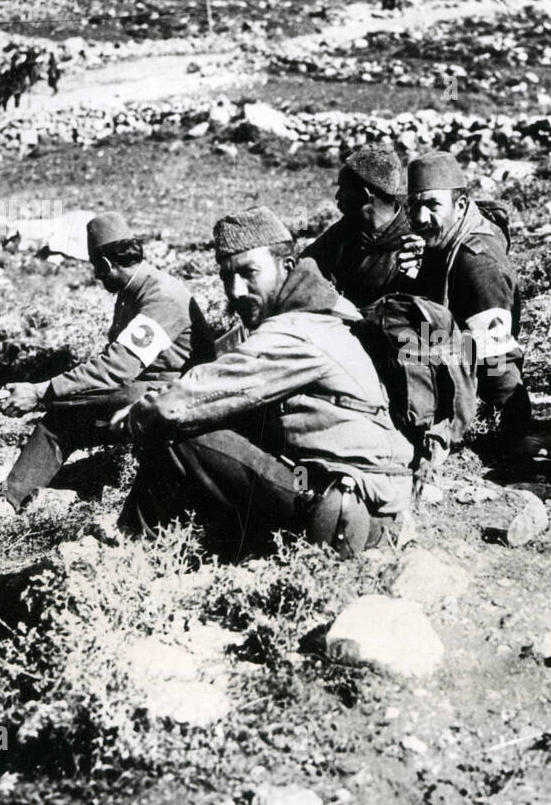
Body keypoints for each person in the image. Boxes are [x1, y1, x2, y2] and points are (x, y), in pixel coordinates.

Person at [117, 208, 413, 557]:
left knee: (177, 433)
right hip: (347, 491)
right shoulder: (317, 316)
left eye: (248, 273)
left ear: (286, 267)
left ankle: (126, 552)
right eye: (226, 276)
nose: (235, 290)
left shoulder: (295, 331)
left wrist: (136, 417)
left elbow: (182, 403)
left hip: (344, 506)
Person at [0, 213, 213, 515]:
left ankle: (8, 504)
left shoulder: (161, 296)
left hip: (178, 395)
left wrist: (42, 391)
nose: (96, 276)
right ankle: (12, 496)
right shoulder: (135, 291)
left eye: (97, 268)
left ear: (107, 264)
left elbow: (117, 368)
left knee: (64, 414)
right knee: (66, 412)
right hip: (151, 388)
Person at [406, 151, 532, 448]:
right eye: (414, 206)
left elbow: (497, 358)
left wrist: (511, 430)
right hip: (449, 355)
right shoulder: (442, 239)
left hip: (471, 371)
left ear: (460, 205)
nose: (420, 217)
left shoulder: (478, 264)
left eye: (432, 205)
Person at [301, 144, 415, 308]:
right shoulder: (344, 230)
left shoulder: (414, 243)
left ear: (363, 195)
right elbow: (305, 264)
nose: (337, 196)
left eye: (343, 188)